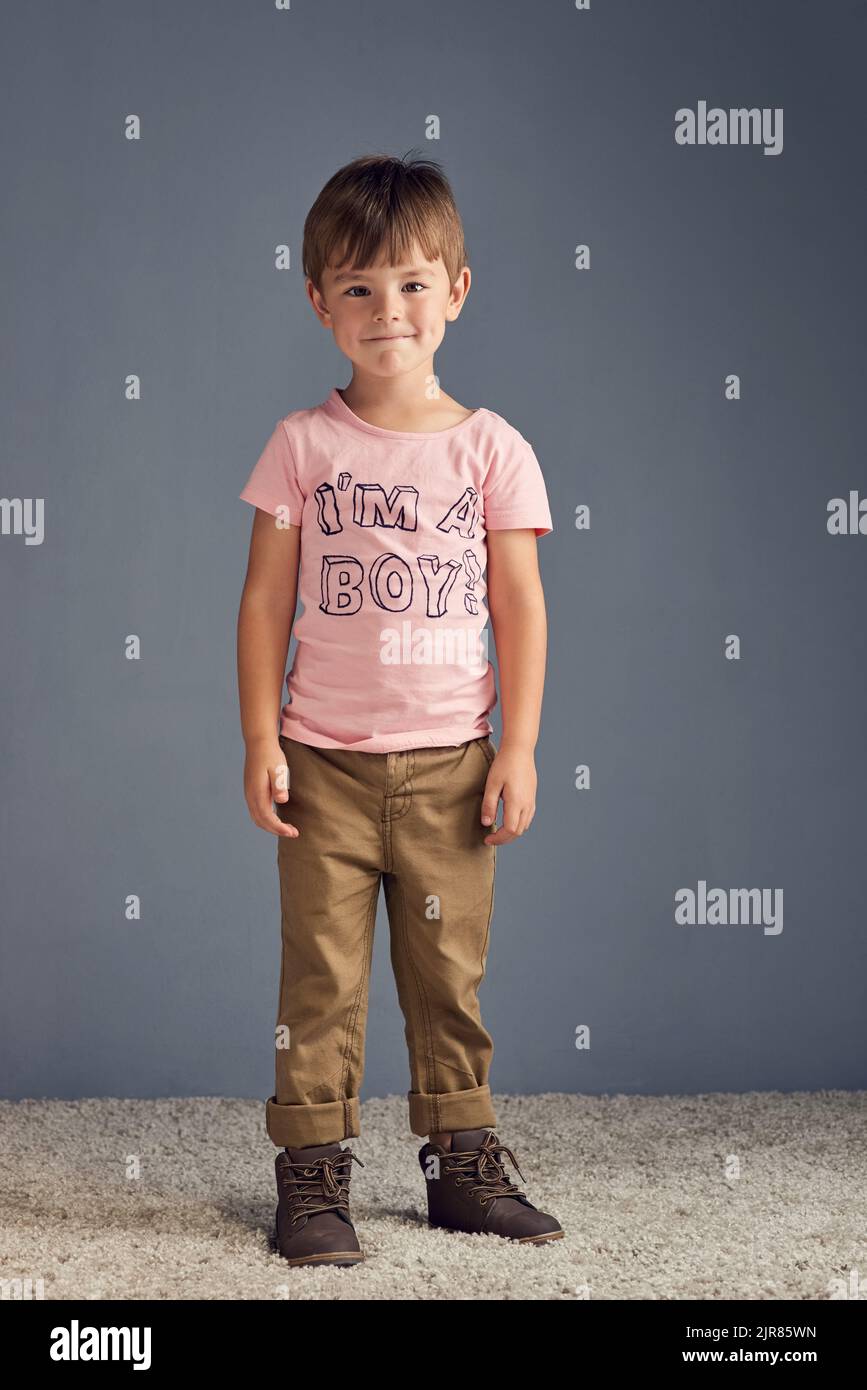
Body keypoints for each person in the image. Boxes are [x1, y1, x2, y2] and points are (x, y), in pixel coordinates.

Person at [237, 152, 562, 1267]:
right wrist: (258, 742)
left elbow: (519, 608)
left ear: (457, 291)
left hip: (452, 768)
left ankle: (461, 1166)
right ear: (320, 301)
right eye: (360, 288)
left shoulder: (492, 450)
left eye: (415, 284)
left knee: (448, 977)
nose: (390, 311)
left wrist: (516, 746)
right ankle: (314, 1178)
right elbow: (264, 602)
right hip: (322, 763)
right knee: (319, 978)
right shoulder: (302, 447)